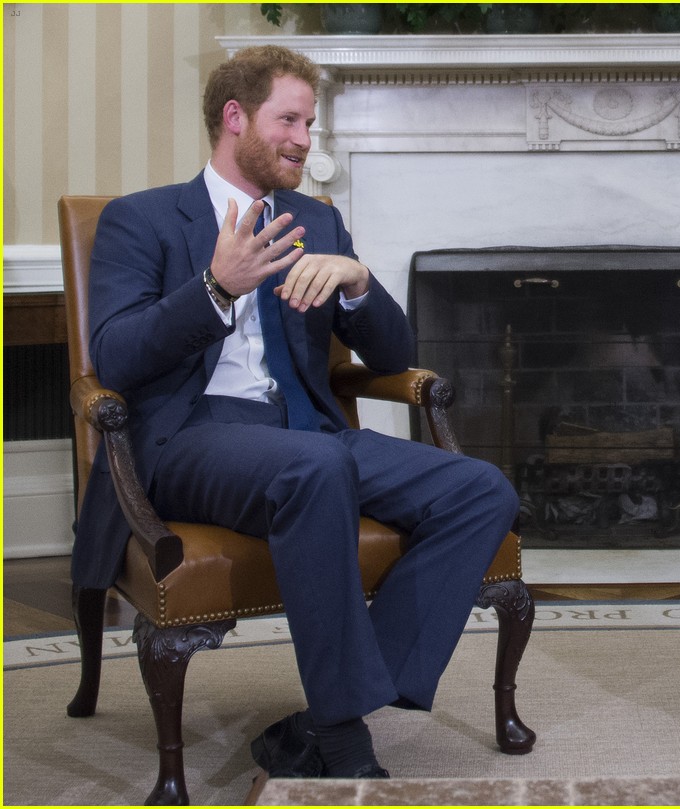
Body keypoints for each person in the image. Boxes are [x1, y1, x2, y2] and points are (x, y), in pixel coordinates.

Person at [77, 45, 519, 779]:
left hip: (305, 431)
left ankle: (322, 717)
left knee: (481, 490)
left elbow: (392, 354)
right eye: (288, 120)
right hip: (190, 436)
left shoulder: (316, 220)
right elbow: (115, 358)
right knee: (314, 466)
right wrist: (216, 288)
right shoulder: (143, 219)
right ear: (235, 117)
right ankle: (343, 742)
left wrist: (357, 280)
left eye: (309, 125)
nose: (303, 140)